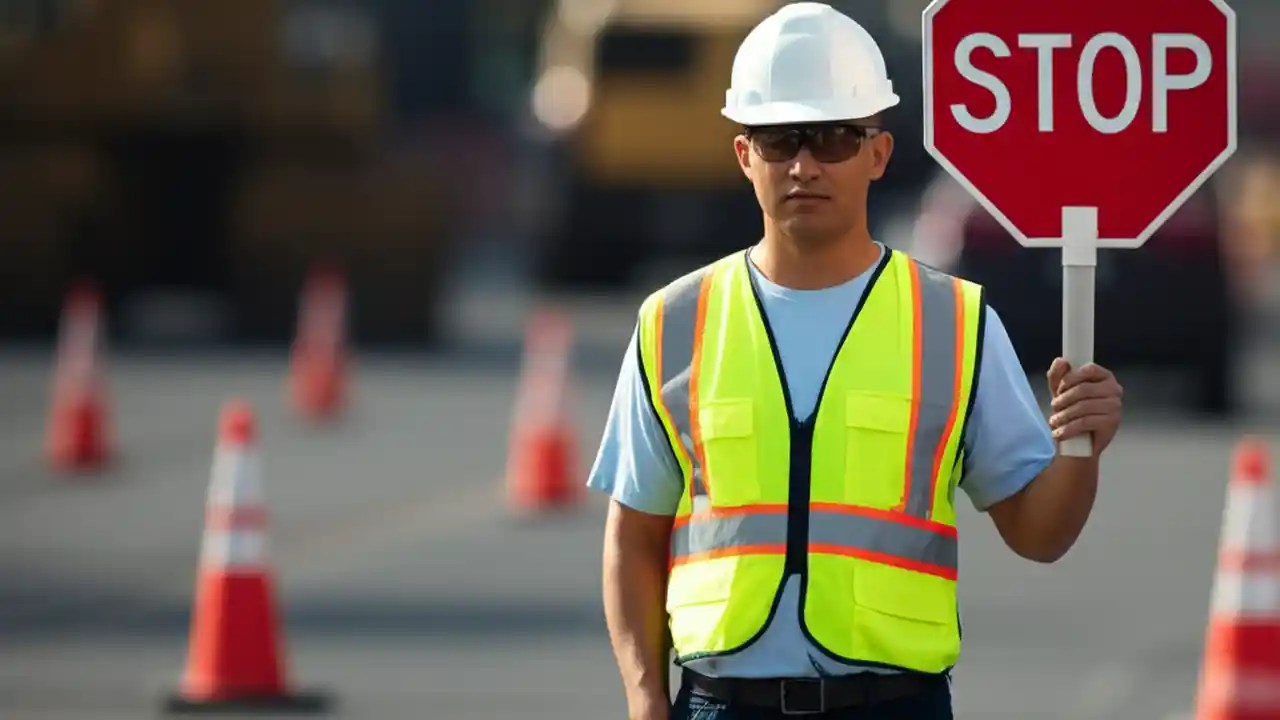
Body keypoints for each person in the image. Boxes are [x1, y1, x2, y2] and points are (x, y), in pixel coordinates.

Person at [586, 3, 1125, 718]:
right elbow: (634, 536)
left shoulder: (955, 323)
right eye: (780, 140)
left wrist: (1079, 451)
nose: (805, 164)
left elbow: (1038, 533)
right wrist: (646, 699)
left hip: (893, 705)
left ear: (878, 152)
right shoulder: (674, 322)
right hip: (717, 705)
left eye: (835, 137)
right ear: (745, 155)